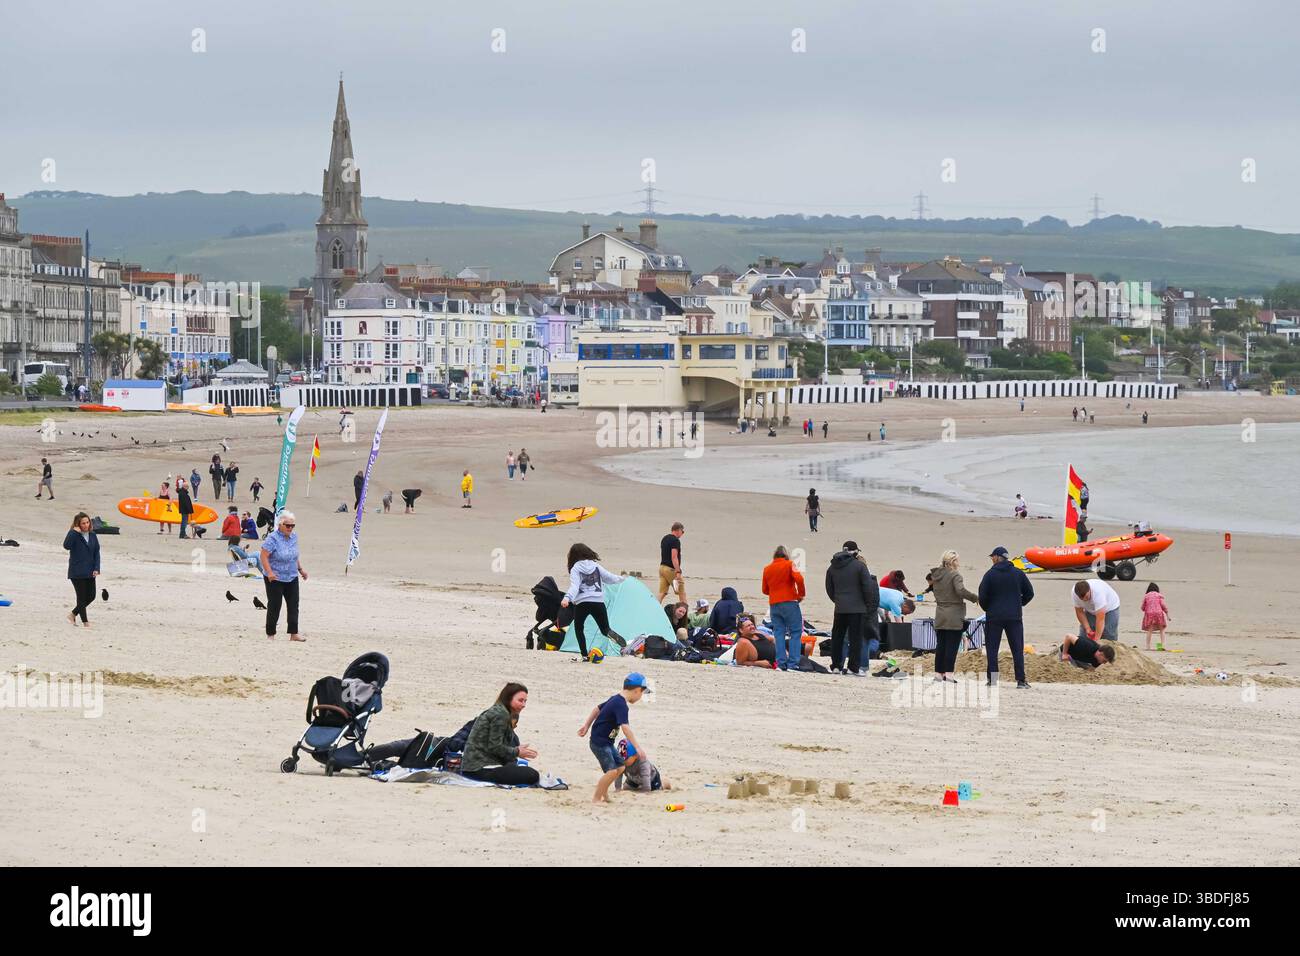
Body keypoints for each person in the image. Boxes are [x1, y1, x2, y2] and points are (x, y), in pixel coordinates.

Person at [579, 673, 650, 802]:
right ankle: (596, 799)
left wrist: (586, 726)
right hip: (600, 743)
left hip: (607, 742)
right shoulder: (621, 705)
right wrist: (637, 747)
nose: (640, 697)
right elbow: (625, 727)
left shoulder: (616, 698)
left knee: (621, 767)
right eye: (642, 693)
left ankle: (604, 794)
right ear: (637, 690)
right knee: (612, 771)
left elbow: (597, 709)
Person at [460, 683, 541, 786]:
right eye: (520, 700)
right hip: (478, 769)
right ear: (509, 698)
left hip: (477, 767)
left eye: (525, 701)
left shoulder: (501, 711)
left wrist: (515, 751)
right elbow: (495, 747)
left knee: (518, 767)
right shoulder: (500, 714)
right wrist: (517, 751)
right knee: (532, 775)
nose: (524, 705)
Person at [978, 546, 1034, 688]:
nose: (991, 559)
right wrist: (1018, 604)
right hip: (1014, 616)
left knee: (992, 649)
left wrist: (988, 608)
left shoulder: (989, 575)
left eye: (992, 557)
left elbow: (982, 596)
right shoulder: (1018, 573)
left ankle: (993, 679)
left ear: (997, 557)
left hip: (994, 616)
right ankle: (1021, 681)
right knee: (1017, 649)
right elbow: (1030, 593)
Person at [559, 543, 625, 660]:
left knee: (579, 628)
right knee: (605, 630)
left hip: (582, 603)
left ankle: (584, 655)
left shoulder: (575, 568)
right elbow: (609, 577)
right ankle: (623, 645)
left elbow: (575, 586)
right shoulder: (595, 566)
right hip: (598, 602)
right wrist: (623, 579)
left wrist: (567, 598)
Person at [826, 540, 879, 676]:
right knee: (856, 639)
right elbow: (868, 588)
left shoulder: (832, 567)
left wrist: (838, 600)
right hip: (857, 608)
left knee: (838, 637)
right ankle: (853, 668)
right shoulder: (860, 566)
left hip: (840, 608)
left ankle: (836, 666)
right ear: (855, 552)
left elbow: (829, 589)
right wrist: (865, 604)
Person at [928, 550, 979, 682]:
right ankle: (949, 674)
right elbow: (960, 590)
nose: (959, 563)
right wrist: (975, 598)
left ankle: (938, 674)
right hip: (954, 614)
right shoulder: (955, 575)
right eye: (957, 560)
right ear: (952, 561)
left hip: (940, 613)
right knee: (952, 645)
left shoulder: (936, 575)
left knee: (941, 646)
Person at [259, 510, 307, 642]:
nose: (290, 528)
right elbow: (263, 556)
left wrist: (301, 570)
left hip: (291, 575)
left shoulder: (294, 537)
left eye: (292, 525)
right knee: (275, 605)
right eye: (287, 525)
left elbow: (294, 555)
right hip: (275, 577)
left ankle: (294, 633)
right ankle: (271, 634)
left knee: (293, 605)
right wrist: (269, 573)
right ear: (280, 524)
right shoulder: (272, 538)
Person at [762, 545, 806, 671]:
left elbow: (765, 590)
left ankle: (781, 663)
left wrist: (775, 592)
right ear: (786, 555)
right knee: (795, 632)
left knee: (779, 633)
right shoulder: (789, 564)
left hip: (774, 604)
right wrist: (800, 595)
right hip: (790, 602)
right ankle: (793, 663)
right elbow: (799, 579)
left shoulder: (767, 569)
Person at [63, 512, 101, 627]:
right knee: (81, 597)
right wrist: (73, 532)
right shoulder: (74, 534)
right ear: (78, 524)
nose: (86, 525)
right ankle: (85, 622)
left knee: (91, 596)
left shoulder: (93, 535)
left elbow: (96, 553)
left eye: (87, 522)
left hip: (90, 571)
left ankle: (73, 614)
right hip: (77, 571)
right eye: (83, 523)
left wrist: (96, 568)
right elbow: (66, 546)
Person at [1073, 578, 1121, 643]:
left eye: (1086, 597)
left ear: (1089, 590)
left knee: (1109, 634)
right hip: (1090, 609)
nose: (1084, 600)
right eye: (1082, 599)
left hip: (1110, 607)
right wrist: (1087, 628)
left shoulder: (1098, 593)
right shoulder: (1074, 593)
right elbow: (1080, 612)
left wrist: (1096, 640)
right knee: (1084, 635)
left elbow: (1100, 620)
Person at [658, 521, 686, 603]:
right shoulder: (675, 540)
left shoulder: (664, 538)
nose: (682, 534)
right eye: (682, 531)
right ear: (678, 530)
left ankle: (654, 609)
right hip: (670, 569)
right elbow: (674, 557)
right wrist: (678, 571)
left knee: (662, 592)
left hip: (662, 568)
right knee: (682, 592)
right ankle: (684, 614)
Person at [1140, 582, 1170, 650]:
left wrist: (1146, 609)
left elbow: (1142, 607)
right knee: (1162, 629)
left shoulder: (1146, 596)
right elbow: (1163, 605)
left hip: (1149, 613)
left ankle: (1148, 646)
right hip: (1158, 613)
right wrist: (1167, 613)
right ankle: (1162, 645)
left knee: (1150, 630)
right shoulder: (1159, 595)